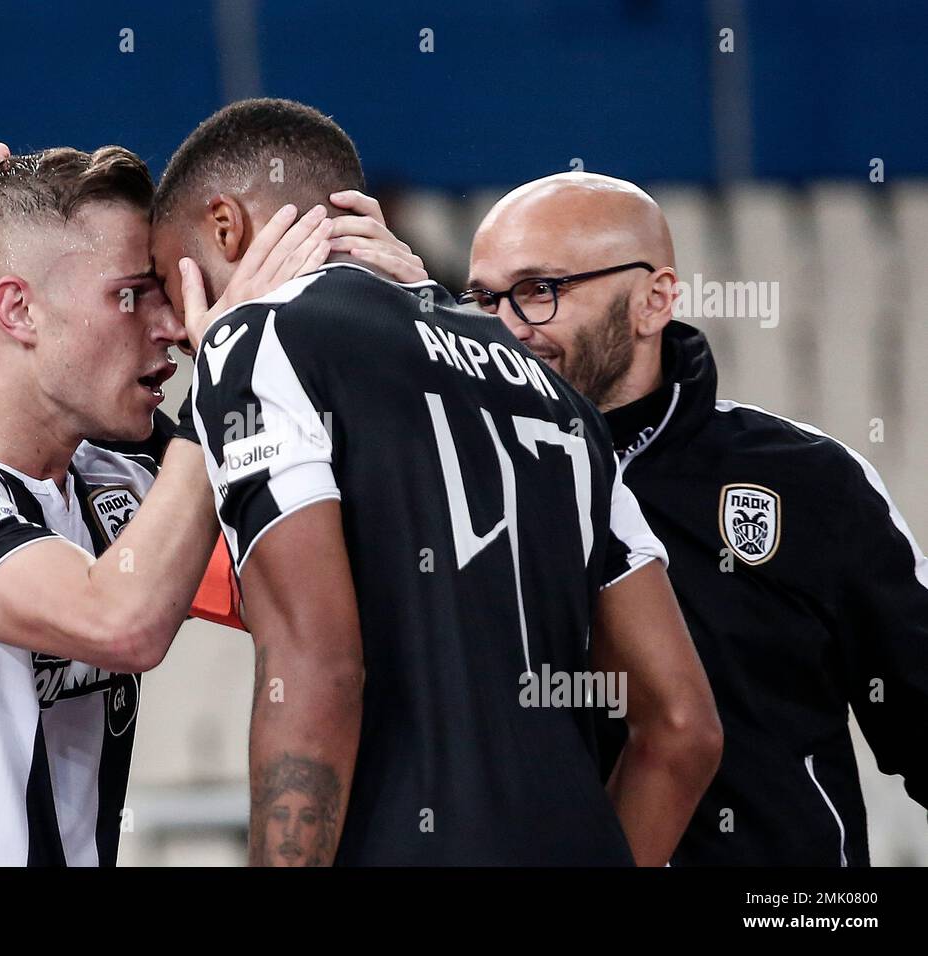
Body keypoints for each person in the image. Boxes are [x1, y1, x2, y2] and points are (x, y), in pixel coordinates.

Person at [156, 98, 723, 865]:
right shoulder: (556, 391)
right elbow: (685, 725)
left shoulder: (255, 336)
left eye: (167, 279)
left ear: (225, 227)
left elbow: (316, 670)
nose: (170, 326)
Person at [0, 143, 366, 865]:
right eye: (134, 294)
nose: (170, 328)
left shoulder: (129, 470)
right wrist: (228, 369)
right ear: (19, 309)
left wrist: (401, 314)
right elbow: (119, 620)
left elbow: (323, 596)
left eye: (168, 293)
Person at [466, 171, 928, 865]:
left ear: (654, 301)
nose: (503, 327)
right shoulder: (450, 483)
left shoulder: (808, 481)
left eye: (540, 291)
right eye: (481, 298)